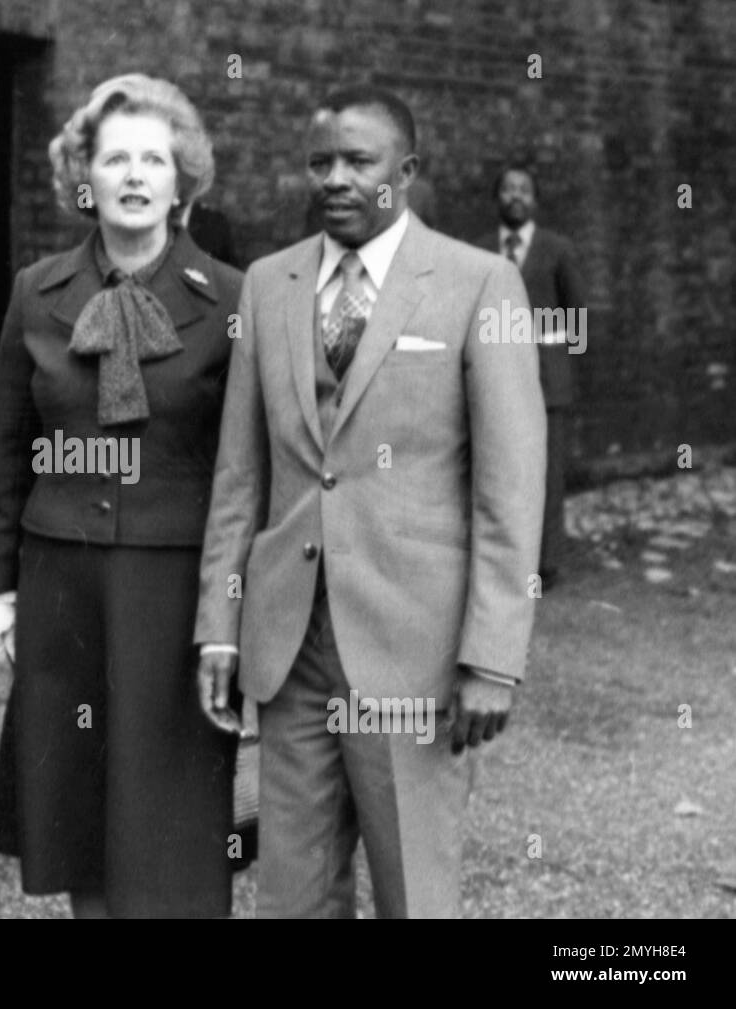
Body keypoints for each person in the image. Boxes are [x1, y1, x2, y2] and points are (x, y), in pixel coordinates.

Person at [195, 86, 546, 918]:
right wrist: (220, 621)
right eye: (321, 162)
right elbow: (240, 474)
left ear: (407, 171)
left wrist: (492, 657)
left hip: (413, 648)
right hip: (291, 643)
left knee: (413, 894)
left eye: (360, 161)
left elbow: (510, 486)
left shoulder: (479, 284)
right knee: (291, 893)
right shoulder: (268, 286)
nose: (337, 180)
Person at [0, 73, 245, 918]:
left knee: (175, 809)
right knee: (81, 809)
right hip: (64, 587)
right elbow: (6, 449)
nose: (133, 175)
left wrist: (230, 612)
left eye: (153, 159)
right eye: (114, 156)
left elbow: (245, 470)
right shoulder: (37, 290)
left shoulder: (234, 298)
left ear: (181, 178)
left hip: (173, 587)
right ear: (82, 175)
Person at [474, 165, 587, 586]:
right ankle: (504, 558)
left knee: (547, 472)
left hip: (546, 382)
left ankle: (546, 561)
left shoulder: (557, 249)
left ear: (534, 200)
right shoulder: (482, 250)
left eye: (524, 189)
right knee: (499, 471)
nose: (515, 196)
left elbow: (577, 315)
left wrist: (563, 367)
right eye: (507, 189)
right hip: (496, 379)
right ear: (497, 198)